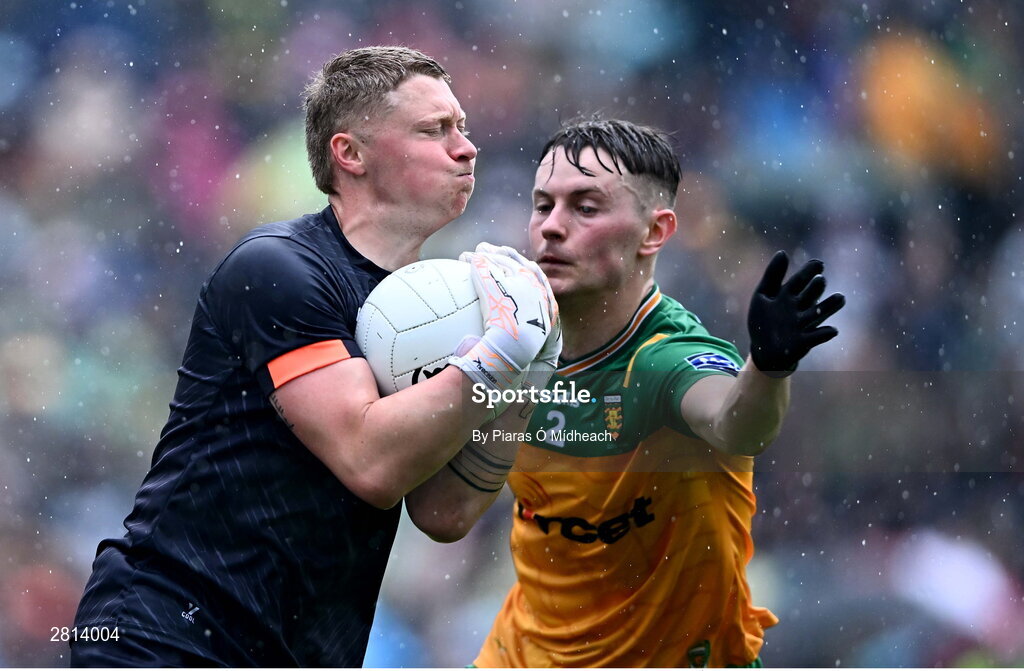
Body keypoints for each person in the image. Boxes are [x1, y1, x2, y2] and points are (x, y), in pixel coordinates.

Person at [70, 46, 559, 667]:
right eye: (435, 129)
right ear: (349, 153)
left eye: (462, 128)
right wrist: (499, 355)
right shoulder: (279, 267)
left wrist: (525, 377)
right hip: (168, 634)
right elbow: (370, 461)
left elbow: (444, 512)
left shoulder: (437, 303)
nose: (466, 148)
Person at [474, 118, 846, 667]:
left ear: (655, 232)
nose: (552, 227)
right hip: (519, 656)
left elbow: (736, 422)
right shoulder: (508, 338)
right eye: (542, 205)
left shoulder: (663, 358)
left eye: (586, 207)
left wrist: (769, 368)